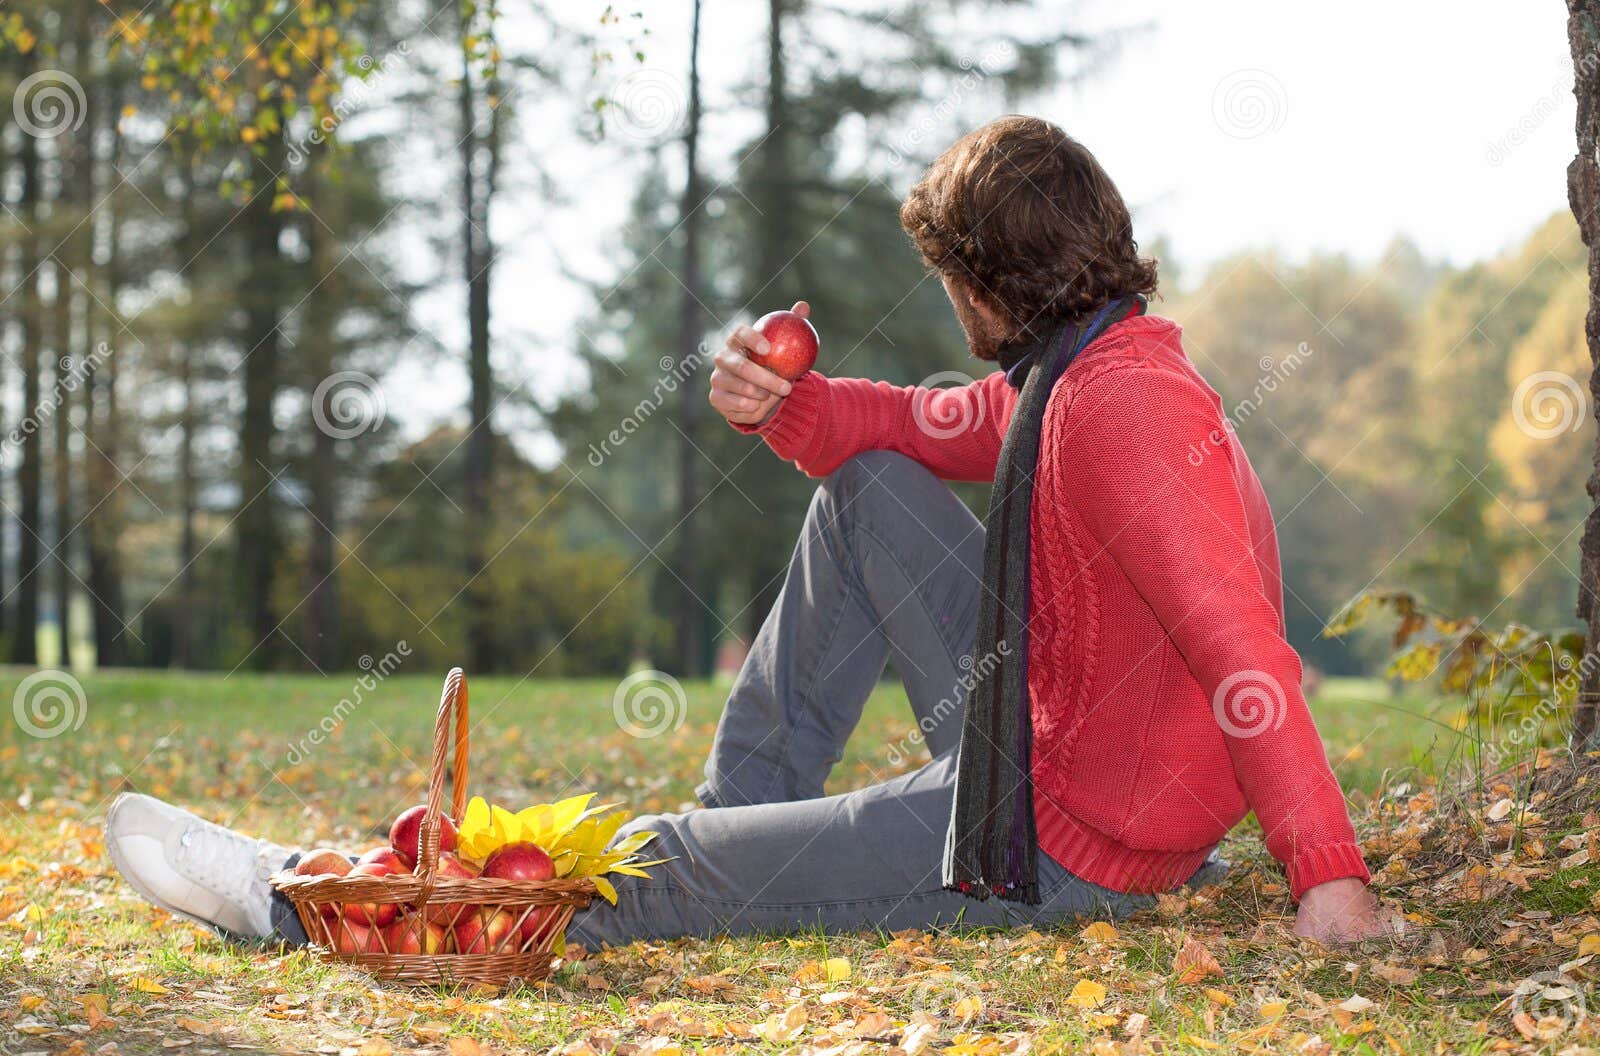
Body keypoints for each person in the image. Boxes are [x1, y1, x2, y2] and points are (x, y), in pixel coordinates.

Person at [105, 114, 1391, 951]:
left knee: (664, 868)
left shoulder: (1121, 416)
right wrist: (799, 405)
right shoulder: (1085, 370)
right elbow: (931, 421)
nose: (945, 304)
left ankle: (289, 898)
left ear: (985, 280)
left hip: (1062, 844)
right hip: (1047, 745)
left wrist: (1326, 875)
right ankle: (745, 815)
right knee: (870, 487)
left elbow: (1242, 654)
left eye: (947, 280)